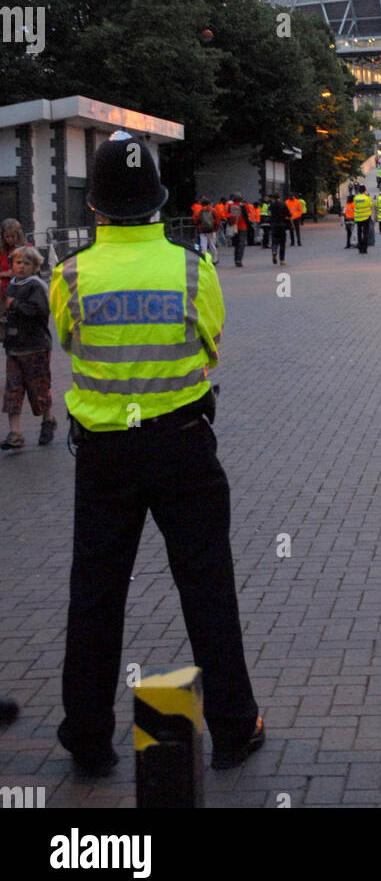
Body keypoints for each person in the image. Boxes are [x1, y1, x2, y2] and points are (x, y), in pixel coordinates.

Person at [49, 130, 262, 776]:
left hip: (104, 458)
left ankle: (88, 736)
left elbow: (69, 343)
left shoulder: (71, 276)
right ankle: (231, 729)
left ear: (97, 207)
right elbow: (210, 346)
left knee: (96, 593)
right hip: (184, 448)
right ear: (160, 200)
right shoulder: (194, 271)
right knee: (207, 587)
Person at [1, 244, 56, 450]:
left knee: (38, 389)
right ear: (12, 265)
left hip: (35, 347)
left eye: (27, 263)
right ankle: (15, 433)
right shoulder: (12, 285)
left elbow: (39, 311)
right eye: (18, 262)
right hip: (14, 348)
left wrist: (14, 305)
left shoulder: (36, 286)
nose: (21, 266)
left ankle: (48, 421)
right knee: (13, 391)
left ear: (35, 266)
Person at [0, 218, 26, 301]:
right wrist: (5, 274)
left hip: (23, 292)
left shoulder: (27, 248)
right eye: (7, 237)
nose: (10, 239)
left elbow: (35, 270)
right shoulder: (2, 251)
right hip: (5, 293)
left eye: (13, 236)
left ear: (19, 235)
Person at [226, 194, 249, 267]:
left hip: (234, 226)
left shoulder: (230, 206)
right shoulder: (242, 206)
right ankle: (239, 260)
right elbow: (246, 216)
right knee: (241, 244)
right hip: (242, 226)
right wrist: (248, 224)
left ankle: (236, 259)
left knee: (236, 243)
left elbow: (228, 215)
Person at [196, 198, 219, 265]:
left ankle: (204, 260)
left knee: (203, 245)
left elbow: (196, 221)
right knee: (212, 245)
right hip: (212, 230)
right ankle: (214, 260)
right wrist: (215, 229)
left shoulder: (199, 211)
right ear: (209, 203)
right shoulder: (213, 210)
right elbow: (217, 221)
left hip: (202, 231)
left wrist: (199, 227)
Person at [270, 195, 290, 264]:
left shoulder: (271, 205)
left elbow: (269, 214)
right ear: (279, 198)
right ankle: (282, 260)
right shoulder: (283, 204)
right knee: (282, 243)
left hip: (274, 225)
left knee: (274, 241)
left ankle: (274, 251)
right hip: (282, 225)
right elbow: (288, 214)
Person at [354, 187, 372, 254]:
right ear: (365, 190)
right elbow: (370, 205)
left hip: (358, 218)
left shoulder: (356, 198)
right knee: (365, 233)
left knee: (359, 233)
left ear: (359, 190)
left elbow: (355, 205)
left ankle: (360, 248)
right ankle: (364, 249)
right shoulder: (367, 198)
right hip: (366, 218)